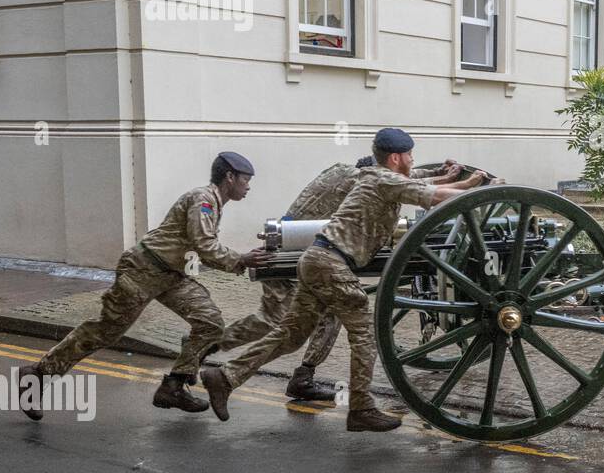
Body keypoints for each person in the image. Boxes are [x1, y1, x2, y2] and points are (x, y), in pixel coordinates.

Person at [201, 129, 495, 432]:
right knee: (365, 331)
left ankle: (225, 376)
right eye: (410, 155)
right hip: (331, 263)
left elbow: (421, 182)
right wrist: (481, 192)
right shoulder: (385, 179)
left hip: (316, 260)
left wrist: (462, 180)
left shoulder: (377, 176)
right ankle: (361, 408)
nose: (412, 159)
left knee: (292, 335)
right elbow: (432, 196)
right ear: (396, 158)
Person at [188, 156, 464, 401]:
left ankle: (301, 377)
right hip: (293, 255)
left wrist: (442, 174)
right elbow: (400, 184)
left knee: (323, 316)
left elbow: (402, 181)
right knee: (272, 321)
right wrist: (448, 178)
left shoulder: (341, 172)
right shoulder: (360, 178)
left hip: (300, 251)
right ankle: (206, 348)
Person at [19, 152, 269, 420]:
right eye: (245, 180)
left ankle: (174, 386)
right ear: (229, 177)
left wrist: (243, 261)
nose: (248, 186)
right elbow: (204, 244)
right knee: (104, 332)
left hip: (170, 275)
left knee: (210, 323)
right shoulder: (203, 199)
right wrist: (241, 259)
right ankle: (37, 374)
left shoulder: (214, 202)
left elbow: (201, 246)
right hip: (142, 270)